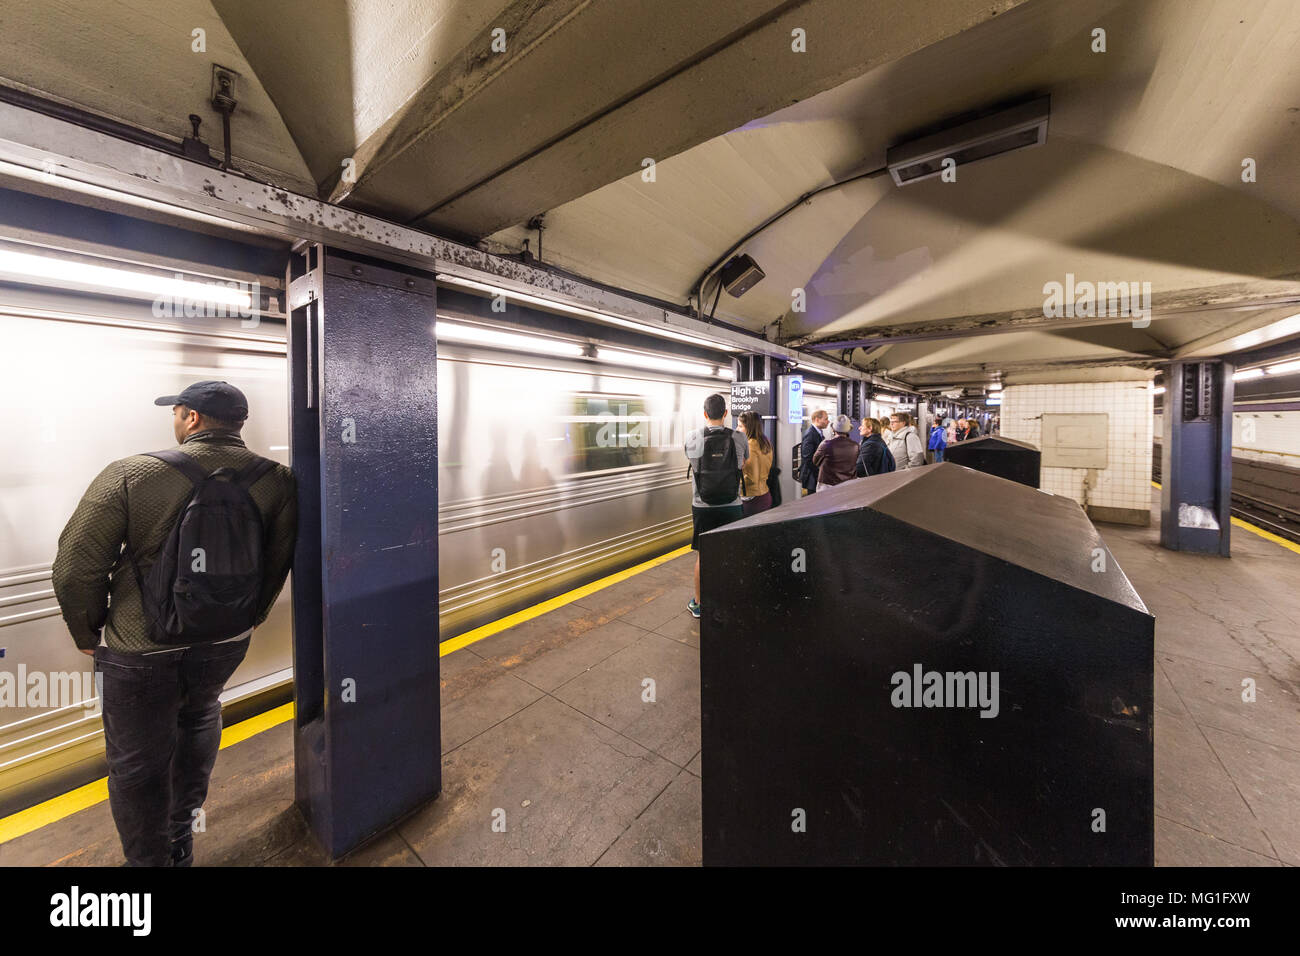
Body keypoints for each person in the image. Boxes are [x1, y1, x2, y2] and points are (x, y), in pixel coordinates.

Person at [51, 381, 297, 867]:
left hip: (140, 651)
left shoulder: (130, 473)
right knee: (201, 714)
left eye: (177, 413)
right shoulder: (280, 481)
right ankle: (180, 836)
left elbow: (76, 567)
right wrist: (246, 621)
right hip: (224, 643)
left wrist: (88, 632)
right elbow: (276, 564)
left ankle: (150, 864)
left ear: (191, 419)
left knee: (138, 765)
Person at [684, 393, 748, 618]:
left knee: (704, 556)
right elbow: (743, 463)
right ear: (726, 414)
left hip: (702, 507)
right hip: (732, 505)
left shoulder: (692, 437)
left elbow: (692, 463)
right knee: (731, 553)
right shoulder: (739, 438)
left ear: (704, 414)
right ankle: (731, 598)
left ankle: (700, 604)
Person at [738, 410, 774, 517]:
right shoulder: (765, 442)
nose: (737, 429)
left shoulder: (749, 446)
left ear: (749, 428)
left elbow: (752, 478)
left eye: (740, 426)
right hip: (765, 494)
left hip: (751, 499)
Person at [812, 414, 858, 490]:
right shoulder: (855, 446)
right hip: (848, 484)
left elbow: (815, 461)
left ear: (833, 429)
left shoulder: (826, 444)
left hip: (828, 484)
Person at [798, 409, 829, 495]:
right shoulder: (810, 434)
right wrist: (819, 471)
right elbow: (807, 457)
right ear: (817, 420)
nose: (828, 421)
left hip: (816, 475)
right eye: (826, 419)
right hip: (812, 476)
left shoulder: (818, 432)